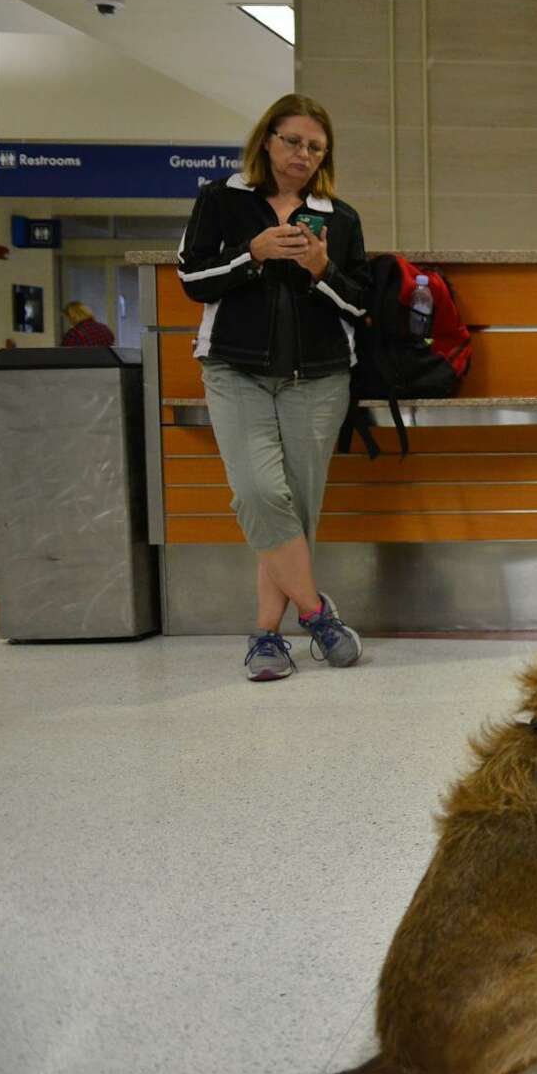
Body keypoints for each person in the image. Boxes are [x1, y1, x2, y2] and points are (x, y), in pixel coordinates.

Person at [177, 93, 370, 681]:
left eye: (315, 146)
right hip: (235, 371)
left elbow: (360, 303)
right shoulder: (221, 200)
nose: (301, 154)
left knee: (296, 507)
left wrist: (320, 272)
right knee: (260, 494)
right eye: (292, 141)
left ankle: (266, 637)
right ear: (268, 140)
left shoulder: (339, 216)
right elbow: (192, 280)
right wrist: (251, 255)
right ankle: (316, 615)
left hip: (318, 377)